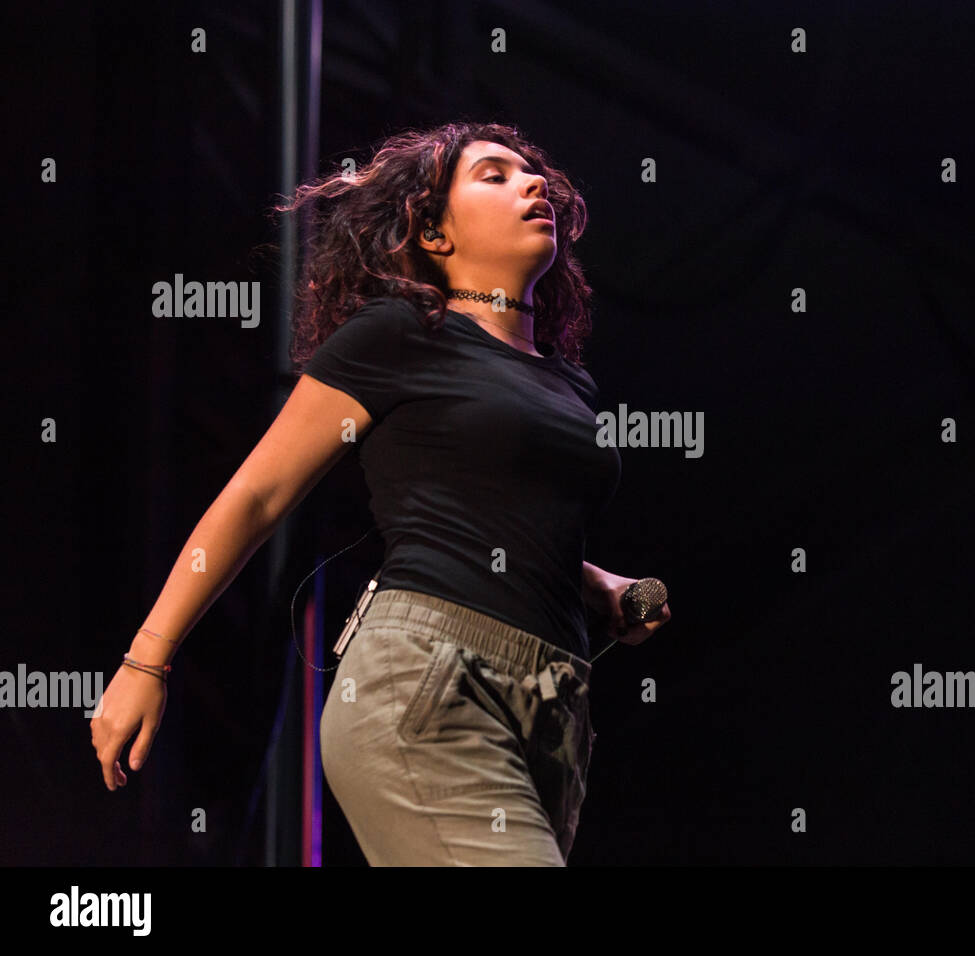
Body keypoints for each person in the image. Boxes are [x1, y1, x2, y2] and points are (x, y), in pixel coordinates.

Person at [89, 121, 670, 865]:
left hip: (555, 705)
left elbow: (495, 519)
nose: (534, 185)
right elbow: (259, 495)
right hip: (429, 681)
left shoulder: (567, 381)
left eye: (536, 176)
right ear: (433, 233)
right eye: (494, 175)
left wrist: (599, 588)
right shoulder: (397, 335)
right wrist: (147, 660)